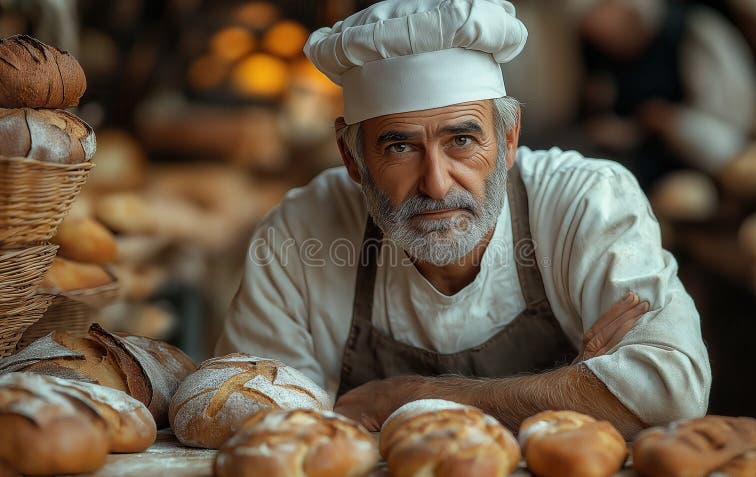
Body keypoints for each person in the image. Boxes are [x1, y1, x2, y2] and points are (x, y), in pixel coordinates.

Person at [216, 0, 711, 437]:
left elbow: (671, 394)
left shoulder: (586, 201)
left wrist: (402, 400)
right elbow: (249, 419)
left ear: (510, 139)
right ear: (352, 157)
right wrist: (574, 385)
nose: (436, 183)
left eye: (462, 140)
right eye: (400, 146)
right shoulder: (301, 231)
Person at [572, 0, 756, 184]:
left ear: (633, 18)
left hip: (697, 160)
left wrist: (671, 122)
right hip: (629, 155)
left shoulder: (692, 34)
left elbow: (732, 138)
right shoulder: (599, 52)